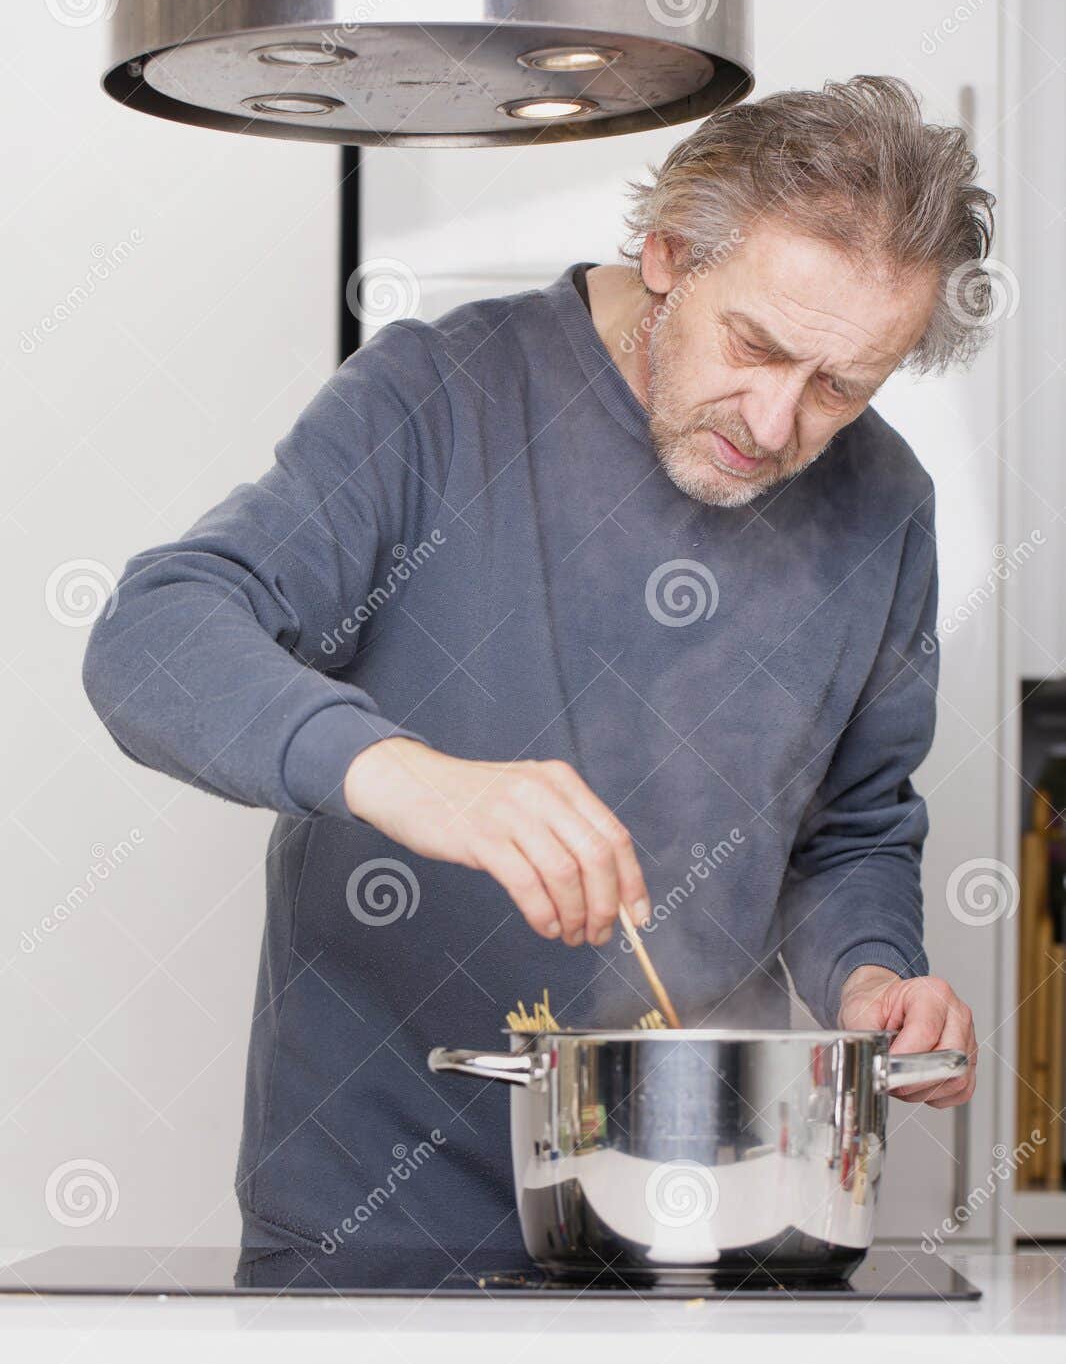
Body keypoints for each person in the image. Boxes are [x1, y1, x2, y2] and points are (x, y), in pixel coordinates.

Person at [84, 76, 989, 1267]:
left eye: (839, 387)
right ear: (666, 253)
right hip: (377, 1225)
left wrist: (871, 978)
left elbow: (852, 833)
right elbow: (153, 633)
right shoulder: (435, 397)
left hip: (713, 1221)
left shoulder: (885, 509)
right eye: (755, 346)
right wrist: (408, 775)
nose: (774, 424)